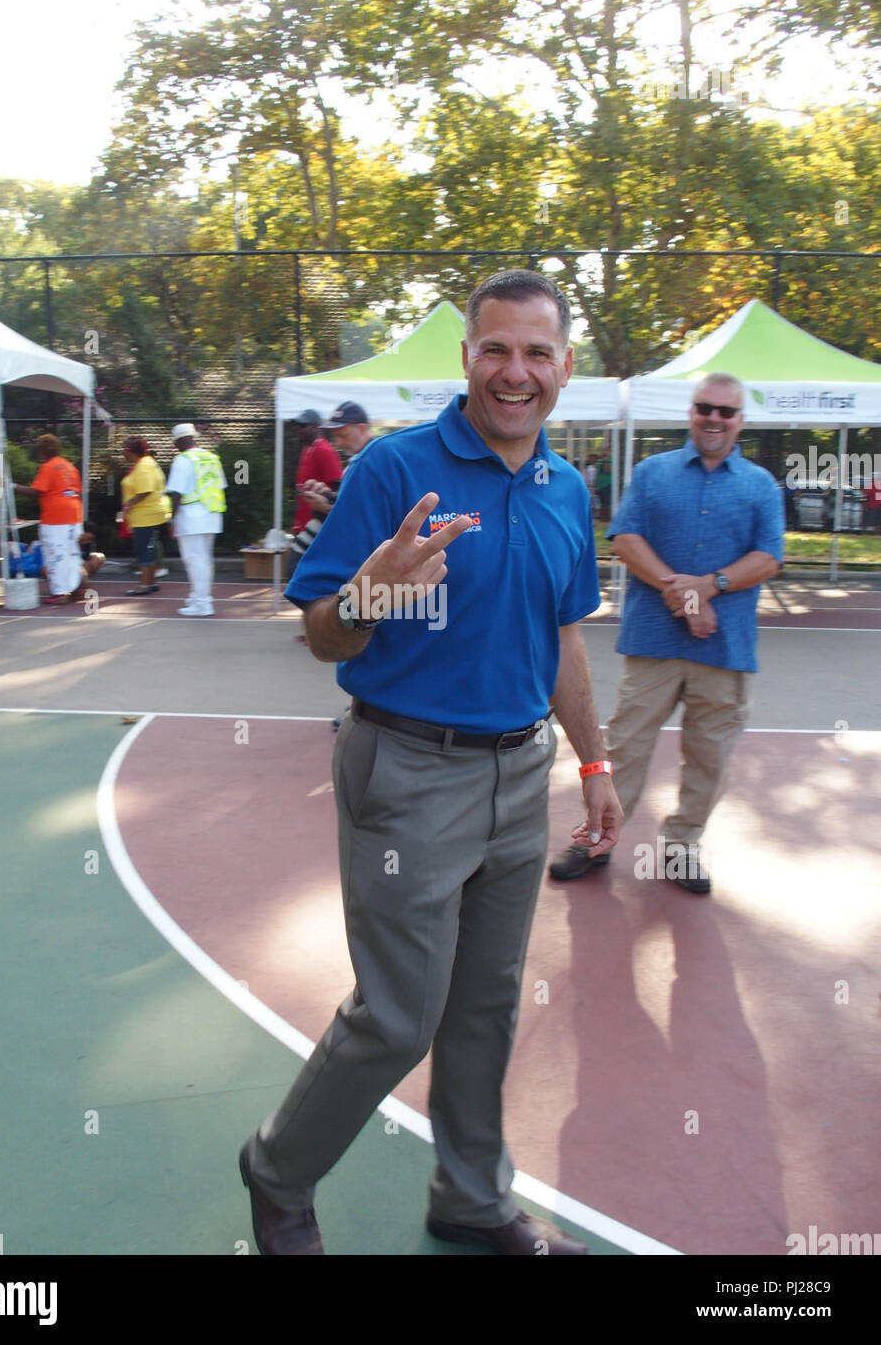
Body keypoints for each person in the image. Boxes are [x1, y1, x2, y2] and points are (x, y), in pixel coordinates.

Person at [239, 269, 623, 1257]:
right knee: (401, 1017)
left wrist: (594, 764)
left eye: (537, 352)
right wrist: (364, 595)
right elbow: (325, 637)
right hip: (408, 773)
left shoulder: (565, 486)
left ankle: (470, 1193)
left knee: (487, 1005)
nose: (515, 371)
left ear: (565, 367)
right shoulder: (391, 471)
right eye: (496, 348)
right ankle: (277, 1171)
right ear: (466, 357)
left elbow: (564, 639)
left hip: (518, 775)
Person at [549, 372, 784, 894]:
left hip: (725, 650)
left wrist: (709, 586)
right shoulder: (653, 473)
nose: (714, 419)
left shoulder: (761, 486)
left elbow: (769, 558)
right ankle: (598, 837)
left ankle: (681, 849)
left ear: (740, 421)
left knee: (710, 758)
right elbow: (624, 539)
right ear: (691, 413)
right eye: (705, 408)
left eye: (726, 411)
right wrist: (685, 594)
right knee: (624, 748)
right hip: (653, 644)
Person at [12, 434, 91, 605]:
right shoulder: (69, 466)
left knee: (55, 555)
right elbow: (76, 491)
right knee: (71, 554)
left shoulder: (48, 467)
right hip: (75, 515)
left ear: (42, 450)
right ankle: (77, 588)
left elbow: (36, 491)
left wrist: (13, 486)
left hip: (56, 518)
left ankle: (60, 593)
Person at [165, 423, 228, 617]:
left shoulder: (183, 460)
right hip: (212, 513)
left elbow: (176, 493)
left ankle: (202, 603)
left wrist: (171, 521)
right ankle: (199, 597)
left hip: (191, 517)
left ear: (180, 440)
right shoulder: (211, 458)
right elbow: (221, 486)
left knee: (195, 561)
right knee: (205, 560)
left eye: (175, 442)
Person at [119, 436, 171, 597]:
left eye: (124, 450)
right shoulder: (147, 462)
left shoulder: (143, 465)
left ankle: (144, 585)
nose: (122, 454)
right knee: (149, 549)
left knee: (143, 549)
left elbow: (145, 490)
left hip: (146, 515)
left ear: (129, 451)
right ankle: (151, 582)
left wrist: (128, 504)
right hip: (150, 513)